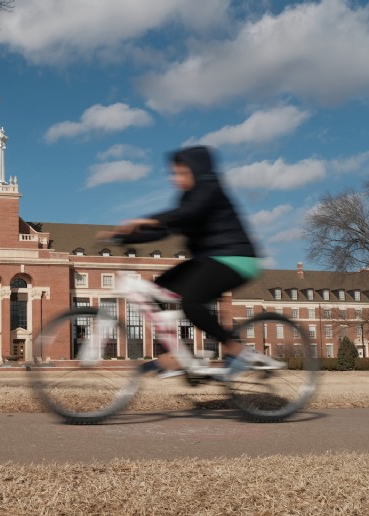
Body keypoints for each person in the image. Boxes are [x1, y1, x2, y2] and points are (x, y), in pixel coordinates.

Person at [98, 145, 283, 378]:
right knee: (156, 291)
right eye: (174, 174)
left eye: (181, 173)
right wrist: (125, 236)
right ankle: (173, 356)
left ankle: (237, 351)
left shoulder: (209, 189)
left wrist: (147, 219)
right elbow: (166, 229)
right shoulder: (189, 197)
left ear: (197, 170)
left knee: (192, 302)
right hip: (207, 260)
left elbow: (186, 214)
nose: (176, 179)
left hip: (236, 258)